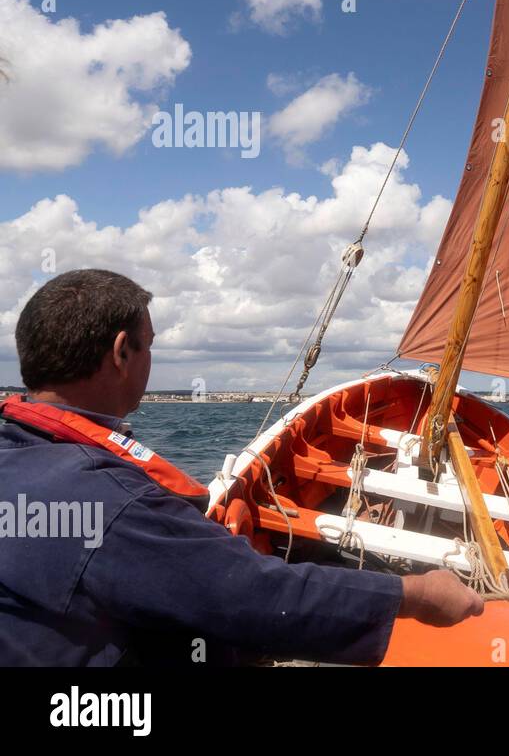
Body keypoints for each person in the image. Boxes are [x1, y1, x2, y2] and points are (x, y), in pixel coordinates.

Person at [0, 269, 482, 666]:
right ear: (122, 351)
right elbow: (254, 598)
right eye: (149, 345)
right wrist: (415, 594)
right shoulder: (114, 505)